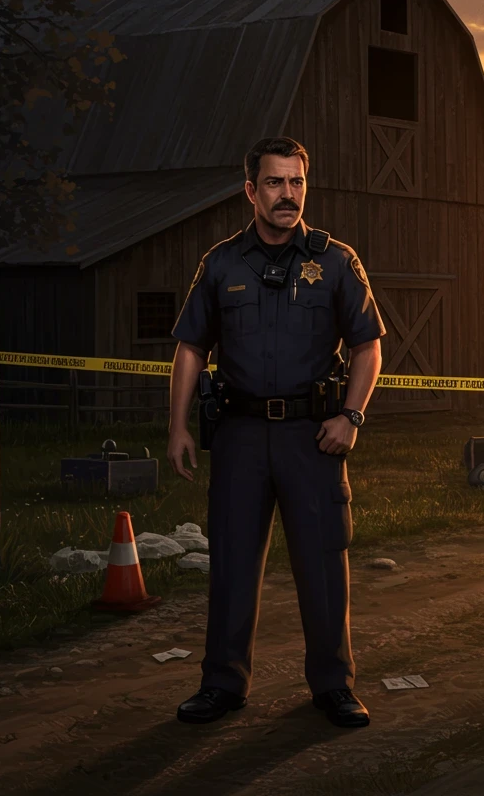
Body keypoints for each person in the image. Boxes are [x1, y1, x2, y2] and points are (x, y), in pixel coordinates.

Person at [166, 137, 385, 728]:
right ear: (250, 190)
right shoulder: (221, 264)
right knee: (232, 564)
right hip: (238, 436)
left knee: (321, 563)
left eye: (296, 183)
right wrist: (177, 427)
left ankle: (334, 686)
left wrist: (351, 416)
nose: (287, 195)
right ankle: (223, 684)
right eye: (273, 183)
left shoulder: (337, 262)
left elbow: (368, 346)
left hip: (313, 437)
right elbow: (190, 347)